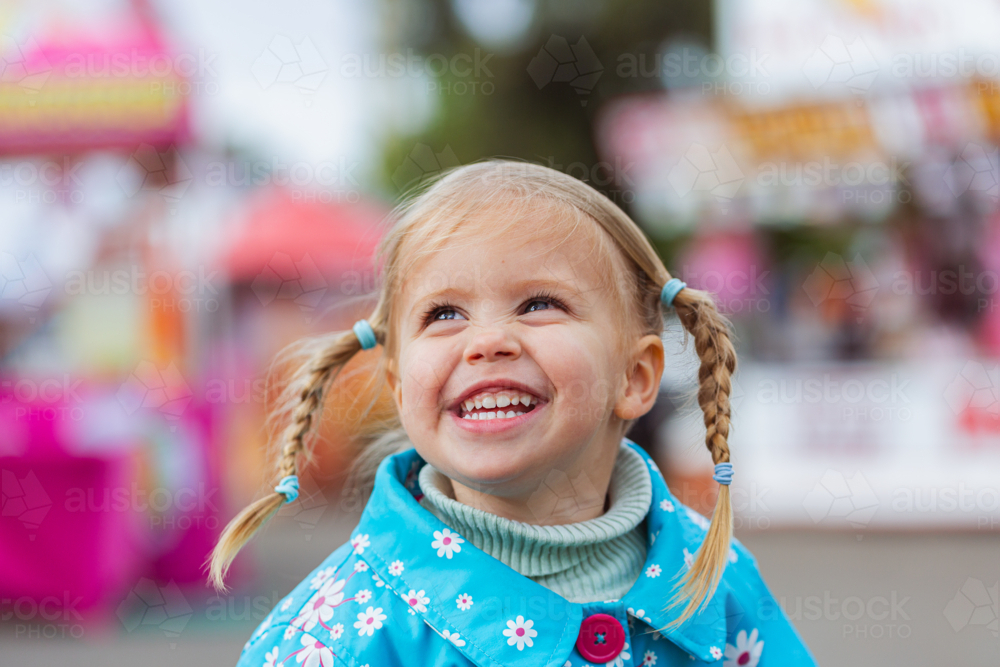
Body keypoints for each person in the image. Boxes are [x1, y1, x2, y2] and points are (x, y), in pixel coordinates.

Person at [211, 161, 817, 666]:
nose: (487, 341)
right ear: (398, 386)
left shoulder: (714, 582)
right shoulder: (337, 638)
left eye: (538, 304)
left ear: (634, 378)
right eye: (444, 314)